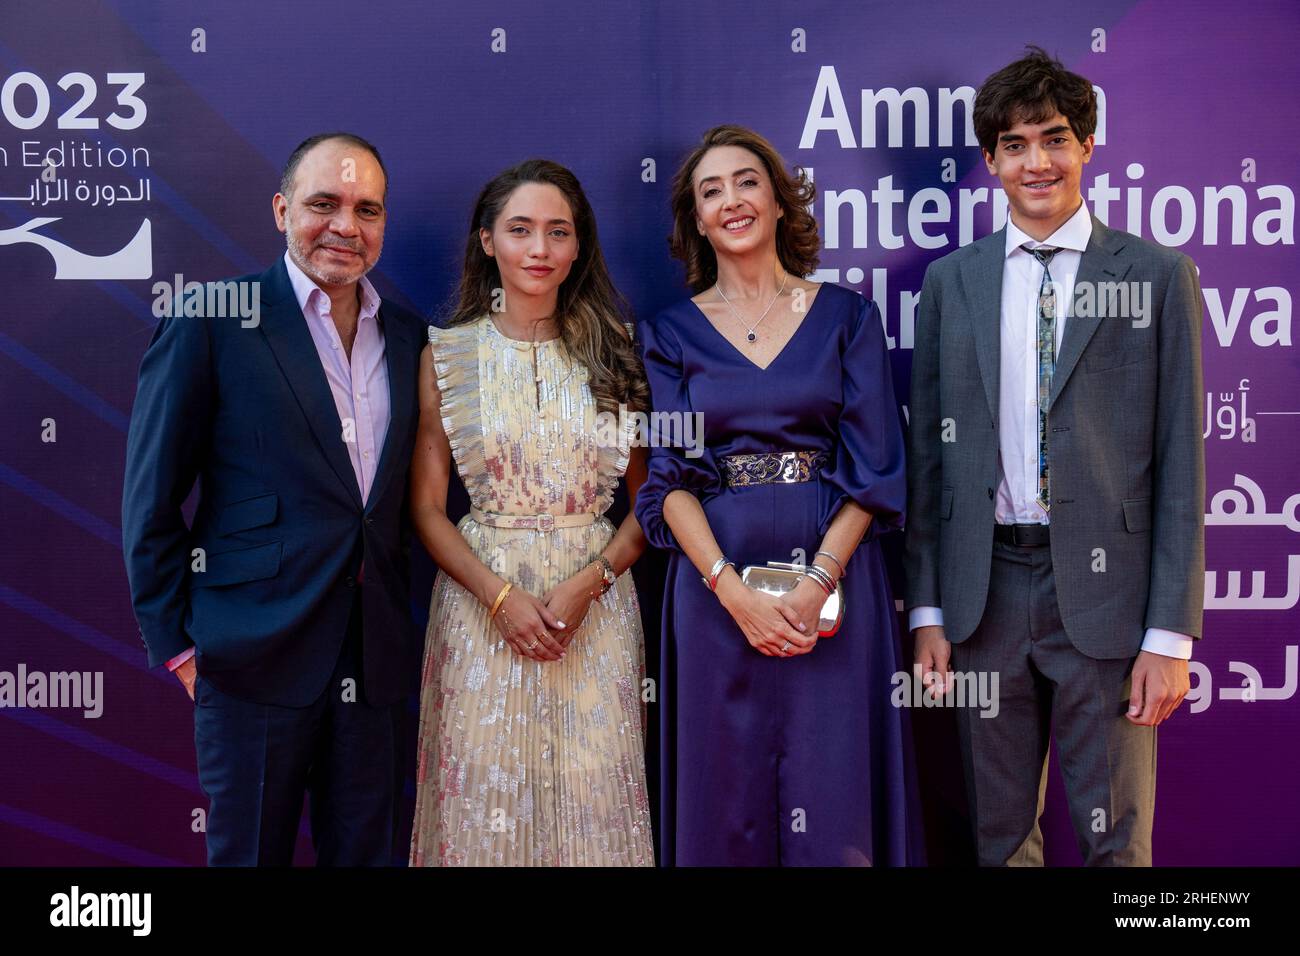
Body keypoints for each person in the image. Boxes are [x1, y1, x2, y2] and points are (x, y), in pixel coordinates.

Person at [904, 48, 1205, 866]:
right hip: (984, 596)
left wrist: (1170, 637)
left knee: (1117, 843)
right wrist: (928, 612)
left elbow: (1182, 464)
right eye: (1013, 144)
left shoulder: (1154, 275)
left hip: (1109, 604)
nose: (1035, 161)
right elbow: (931, 459)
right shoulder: (950, 283)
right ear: (991, 159)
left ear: (1088, 143)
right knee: (1000, 841)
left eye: (1054, 137)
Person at [123, 133, 425, 866]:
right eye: (324, 204)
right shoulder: (213, 318)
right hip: (250, 658)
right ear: (282, 208)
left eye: (367, 209)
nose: (346, 226)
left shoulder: (413, 337)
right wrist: (182, 650)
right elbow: (151, 502)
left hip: (375, 663)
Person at [635, 125, 923, 866]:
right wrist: (731, 591)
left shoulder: (848, 316)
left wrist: (818, 581)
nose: (731, 200)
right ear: (695, 220)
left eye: (746, 181)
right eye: (711, 190)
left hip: (835, 586)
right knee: (721, 793)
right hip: (712, 590)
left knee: (835, 801)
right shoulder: (667, 334)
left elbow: (876, 469)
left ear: (777, 197)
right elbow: (667, 481)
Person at [408, 159, 654, 866]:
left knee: (592, 804)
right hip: (480, 606)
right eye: (520, 230)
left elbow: (649, 504)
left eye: (557, 232)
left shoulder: (617, 352)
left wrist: (590, 583)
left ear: (579, 247)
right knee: (482, 806)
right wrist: (501, 599)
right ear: (488, 241)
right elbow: (427, 511)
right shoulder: (446, 356)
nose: (539, 249)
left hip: (596, 610)